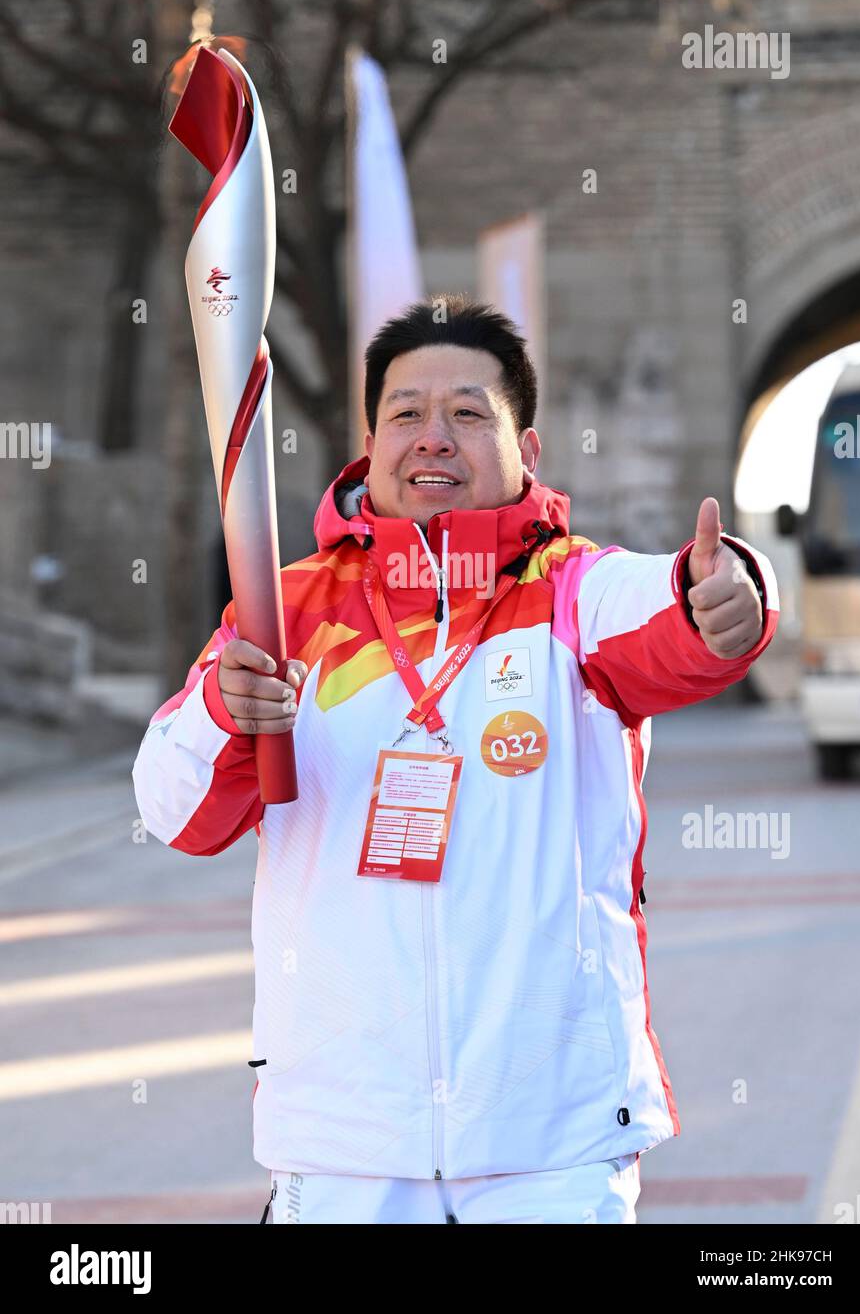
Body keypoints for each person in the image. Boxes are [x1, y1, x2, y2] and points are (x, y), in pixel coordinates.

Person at [132, 294, 779, 1224]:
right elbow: (171, 811)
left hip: (549, 1147)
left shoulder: (573, 593)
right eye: (406, 414)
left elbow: (673, 610)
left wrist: (726, 596)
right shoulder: (287, 613)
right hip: (344, 1145)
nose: (433, 437)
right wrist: (221, 717)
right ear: (370, 440)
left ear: (529, 450)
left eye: (469, 414)